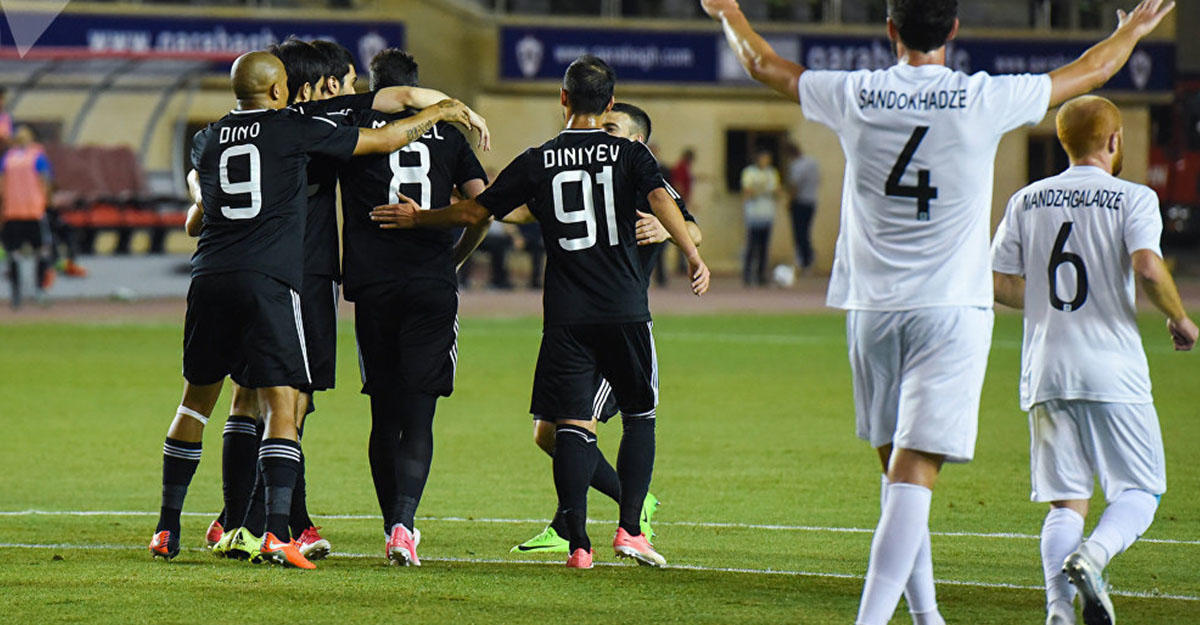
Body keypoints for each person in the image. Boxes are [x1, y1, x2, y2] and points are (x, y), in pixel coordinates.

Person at [704, 0, 1175, 621]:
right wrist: (1132, 30)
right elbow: (1087, 74)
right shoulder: (981, 98)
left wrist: (730, 13)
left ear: (891, 30)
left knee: (899, 479)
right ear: (953, 29)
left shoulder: (859, 93)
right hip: (950, 307)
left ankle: (928, 618)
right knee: (912, 475)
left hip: (870, 307)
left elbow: (763, 64)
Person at [369, 55, 710, 569]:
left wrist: (421, 219)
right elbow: (664, 199)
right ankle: (631, 530)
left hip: (566, 313)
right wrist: (691, 253)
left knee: (568, 426)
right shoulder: (630, 157)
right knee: (639, 417)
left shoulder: (538, 160)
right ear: (610, 104)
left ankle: (578, 545)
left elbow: (475, 211)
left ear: (563, 99)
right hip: (623, 308)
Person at [148, 49, 473, 569]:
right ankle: (275, 528)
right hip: (281, 280)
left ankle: (184, 527)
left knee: (209, 403)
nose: (349, 93)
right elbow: (389, 130)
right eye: (342, 83)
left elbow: (195, 214)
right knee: (287, 405)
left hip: (210, 277)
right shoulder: (296, 130)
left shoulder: (207, 138)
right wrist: (445, 112)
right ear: (289, 90)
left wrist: (196, 195)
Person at [991, 95, 1197, 625]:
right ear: (1114, 140)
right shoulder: (1133, 197)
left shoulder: (1027, 200)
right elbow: (1149, 268)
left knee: (1066, 503)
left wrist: (1043, 302)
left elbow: (999, 282)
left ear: (1064, 142)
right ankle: (1095, 556)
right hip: (1112, 370)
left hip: (1046, 371)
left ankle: (1059, 612)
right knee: (1142, 489)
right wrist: (1179, 318)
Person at [509, 101, 703, 554]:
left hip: (615, 320)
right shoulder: (591, 174)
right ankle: (569, 524)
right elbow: (527, 209)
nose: (599, 132)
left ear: (637, 141)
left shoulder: (640, 179)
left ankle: (627, 511)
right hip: (581, 316)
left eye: (611, 127)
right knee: (548, 433)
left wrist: (668, 229)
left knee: (574, 428)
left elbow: (694, 230)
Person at [338, 47, 491, 566]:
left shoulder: (355, 122)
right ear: (419, 85)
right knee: (419, 415)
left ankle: (391, 527)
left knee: (383, 415)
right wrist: (455, 259)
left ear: (375, 86)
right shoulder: (448, 134)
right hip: (429, 282)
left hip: (373, 283)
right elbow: (481, 207)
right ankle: (405, 524)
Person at [0, 125, 54, 309]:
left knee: (14, 255)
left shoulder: (8, 159)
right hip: (33, 212)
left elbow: (1, 184)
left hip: (12, 212)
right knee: (42, 252)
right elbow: (45, 181)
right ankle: (39, 290)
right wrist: (46, 202)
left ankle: (16, 294)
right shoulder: (37, 157)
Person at [740, 149, 779, 286]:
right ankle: (747, 275)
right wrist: (761, 189)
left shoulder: (772, 173)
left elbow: (777, 191)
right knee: (751, 246)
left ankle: (761, 275)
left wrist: (760, 189)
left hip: (767, 214)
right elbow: (747, 191)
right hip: (753, 215)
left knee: (764, 248)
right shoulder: (750, 173)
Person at [784, 142, 819, 274]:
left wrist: (789, 201)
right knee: (806, 231)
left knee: (799, 233)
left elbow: (794, 186)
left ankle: (804, 261)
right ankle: (809, 259)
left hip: (800, 202)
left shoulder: (797, 166)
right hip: (812, 201)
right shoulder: (813, 162)